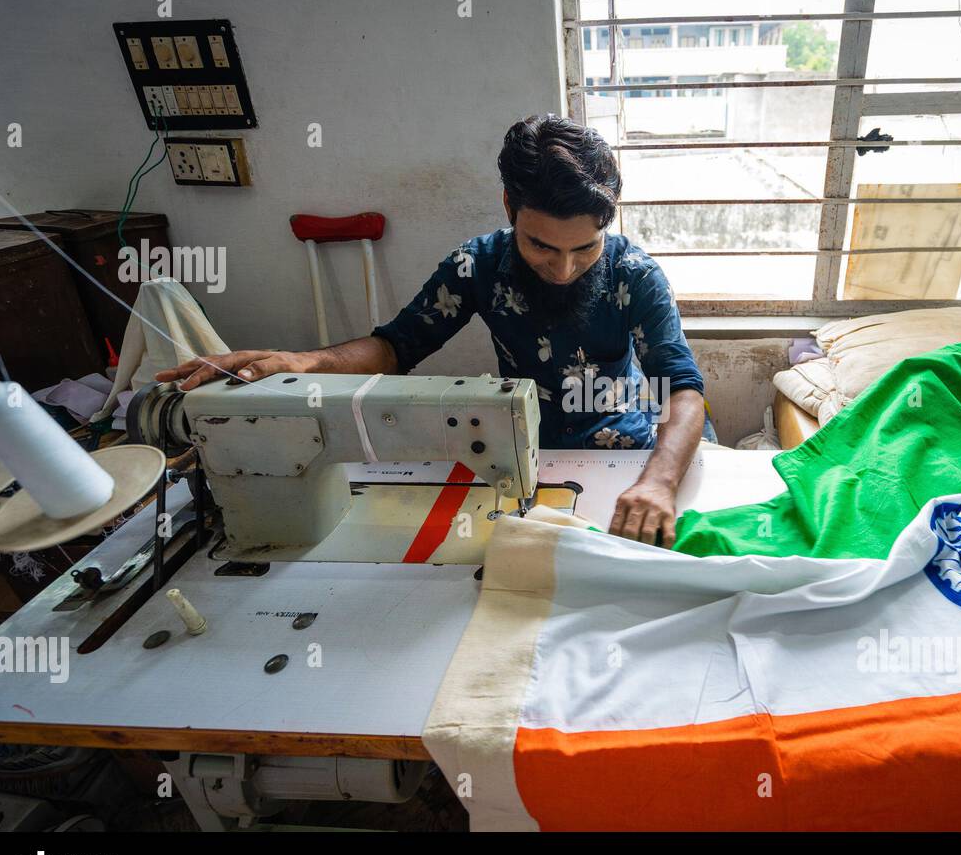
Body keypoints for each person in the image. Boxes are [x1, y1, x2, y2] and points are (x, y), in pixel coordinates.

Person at [157, 114, 708, 547]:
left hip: (630, 451)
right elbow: (397, 346)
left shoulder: (633, 274)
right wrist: (303, 362)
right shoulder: (478, 265)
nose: (563, 269)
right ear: (509, 207)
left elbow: (681, 388)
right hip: (529, 447)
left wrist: (658, 480)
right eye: (541, 245)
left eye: (583, 249)